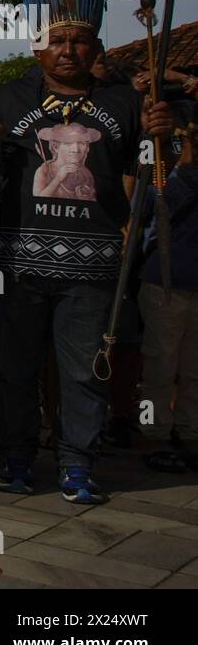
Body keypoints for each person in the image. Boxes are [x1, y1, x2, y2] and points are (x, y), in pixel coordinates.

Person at [0, 0, 172, 504]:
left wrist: (158, 134)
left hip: (94, 268)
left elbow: (144, 171)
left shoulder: (122, 102)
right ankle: (15, 457)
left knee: (82, 373)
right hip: (17, 262)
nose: (68, 49)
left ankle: (76, 464)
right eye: (56, 39)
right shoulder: (8, 96)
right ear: (37, 44)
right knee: (15, 372)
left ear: (95, 44)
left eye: (80, 40)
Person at [137, 113, 198, 472]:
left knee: (193, 367)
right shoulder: (171, 179)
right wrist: (185, 166)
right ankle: (156, 431)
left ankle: (190, 430)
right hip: (166, 281)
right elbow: (149, 209)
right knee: (161, 362)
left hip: (188, 282)